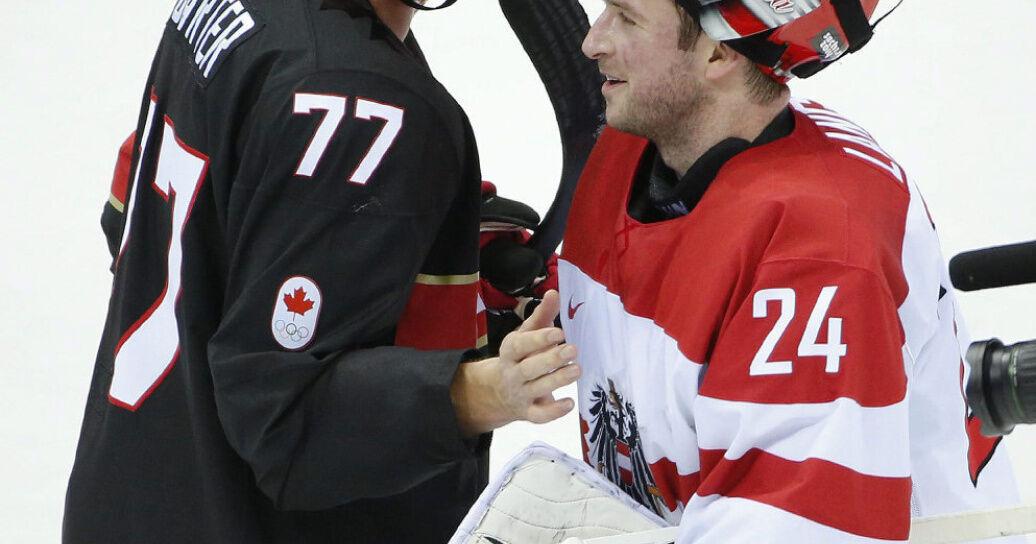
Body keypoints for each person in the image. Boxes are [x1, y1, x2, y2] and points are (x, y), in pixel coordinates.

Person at [64, 0, 580, 542]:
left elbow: (134, 214)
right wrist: (482, 391)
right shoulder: (356, 94)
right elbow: (283, 420)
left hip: (130, 497)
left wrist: (414, 262)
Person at [558, 0, 1023, 541]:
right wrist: (525, 308)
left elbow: (793, 529)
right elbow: (653, 304)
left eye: (628, 16)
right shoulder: (637, 142)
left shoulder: (822, 246)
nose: (593, 41)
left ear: (716, 53)